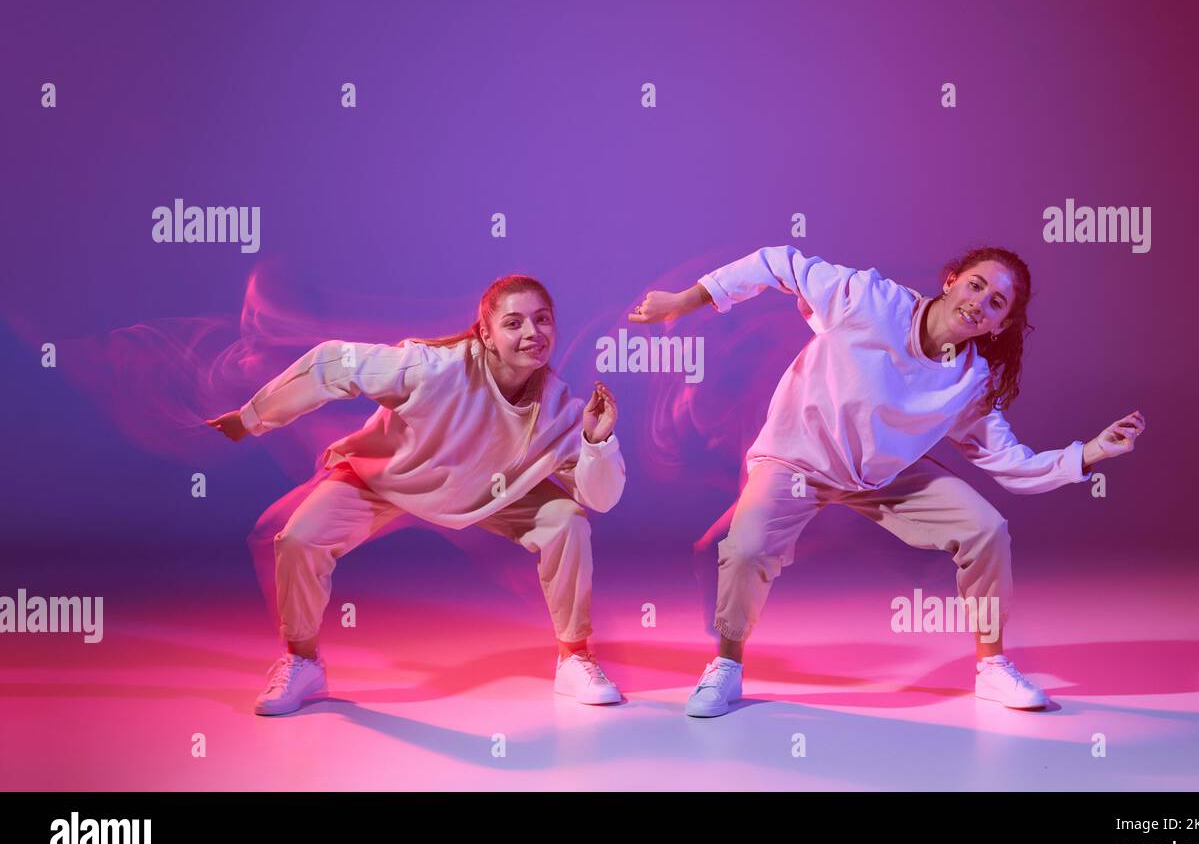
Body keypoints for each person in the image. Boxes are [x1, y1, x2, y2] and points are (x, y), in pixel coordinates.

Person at [628, 245, 1145, 717]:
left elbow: (1010, 463)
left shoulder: (970, 382)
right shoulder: (870, 299)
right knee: (743, 551)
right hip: (797, 460)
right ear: (950, 281)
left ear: (997, 326)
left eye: (996, 303)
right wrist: (684, 300)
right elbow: (775, 262)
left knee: (986, 528)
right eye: (976, 285)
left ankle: (991, 668)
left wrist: (1093, 451)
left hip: (879, 477)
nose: (980, 301)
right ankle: (727, 667)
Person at [207, 274, 627, 714]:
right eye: (514, 322)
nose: (531, 333)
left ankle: (575, 658)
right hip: (386, 481)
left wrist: (599, 442)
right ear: (485, 333)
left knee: (567, 520)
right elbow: (334, 364)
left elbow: (602, 498)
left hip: (488, 494)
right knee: (297, 539)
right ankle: (301, 661)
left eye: (541, 320)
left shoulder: (560, 411)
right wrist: (252, 417)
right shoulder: (433, 368)